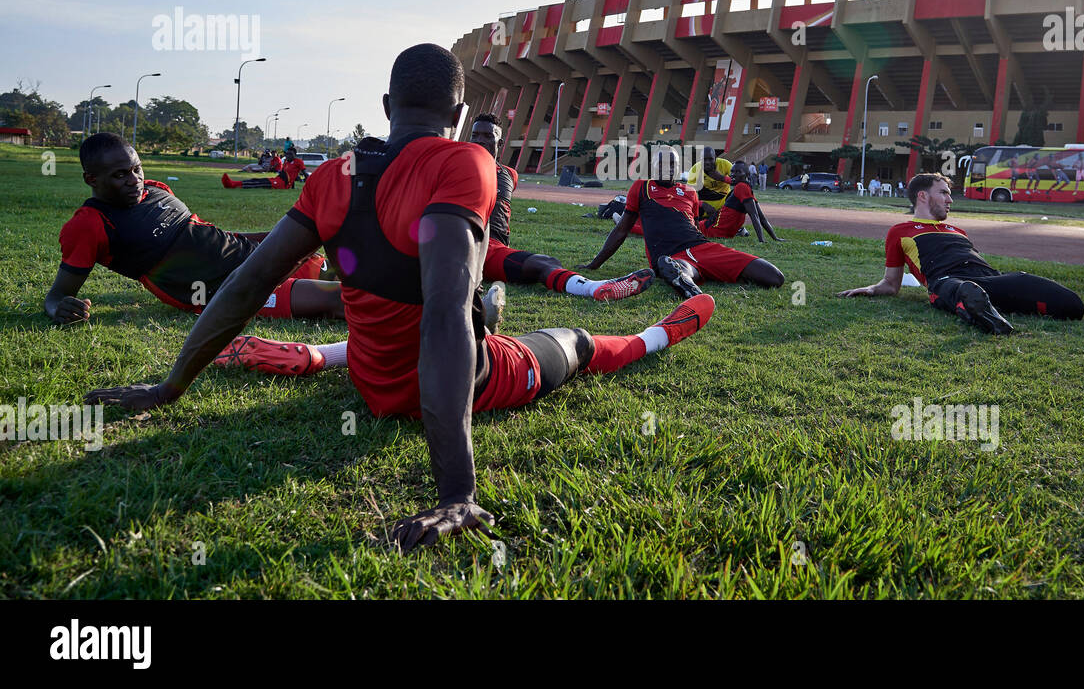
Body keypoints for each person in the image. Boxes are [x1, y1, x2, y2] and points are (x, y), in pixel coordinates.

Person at [85, 44, 715, 550]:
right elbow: (444, 309)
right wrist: (457, 493)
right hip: (465, 381)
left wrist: (171, 386)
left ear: (386, 104)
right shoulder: (466, 162)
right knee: (579, 344)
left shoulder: (335, 175)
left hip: (371, 381)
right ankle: (666, 329)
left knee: (469, 309)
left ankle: (331, 352)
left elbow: (247, 284)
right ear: (461, 110)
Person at [45, 132, 341, 325]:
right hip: (227, 288)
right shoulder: (88, 224)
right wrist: (58, 307)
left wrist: (279, 241)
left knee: (347, 262)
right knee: (338, 299)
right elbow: (56, 296)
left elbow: (207, 234)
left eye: (136, 169)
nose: (134, 180)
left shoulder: (156, 189)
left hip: (250, 255)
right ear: (91, 179)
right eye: (120, 175)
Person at [836, 173, 1084, 333]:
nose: (950, 200)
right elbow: (892, 284)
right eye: (944, 192)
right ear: (922, 196)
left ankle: (981, 306)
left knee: (1072, 305)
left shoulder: (958, 230)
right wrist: (871, 289)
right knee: (953, 287)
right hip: (947, 280)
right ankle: (975, 307)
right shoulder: (901, 231)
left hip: (990, 278)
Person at [469, 113, 653, 300]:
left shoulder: (509, 175)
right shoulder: (459, 167)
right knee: (542, 263)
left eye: (488, 136)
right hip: (471, 246)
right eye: (475, 135)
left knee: (549, 262)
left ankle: (595, 287)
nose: (480, 141)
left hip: (495, 248)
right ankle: (594, 288)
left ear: (500, 143)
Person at [586, 147, 784, 297]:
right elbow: (621, 231)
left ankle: (692, 278)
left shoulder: (690, 192)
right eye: (662, 164)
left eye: (672, 164)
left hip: (702, 247)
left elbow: (696, 228)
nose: (667, 168)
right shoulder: (641, 187)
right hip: (670, 253)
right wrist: (594, 265)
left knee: (774, 276)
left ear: (679, 167)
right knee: (673, 266)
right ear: (653, 166)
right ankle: (684, 279)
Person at [700, 163, 783, 242]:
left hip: (712, 230)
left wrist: (762, 240)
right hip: (713, 227)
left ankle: (740, 230)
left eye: (738, 172)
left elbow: (755, 216)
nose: (733, 174)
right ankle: (740, 231)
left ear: (747, 174)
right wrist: (774, 238)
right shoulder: (743, 188)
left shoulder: (742, 187)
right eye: (732, 171)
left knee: (690, 224)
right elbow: (760, 217)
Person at [222, 146, 306, 190]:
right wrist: (292, 187)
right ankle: (233, 183)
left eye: (290, 154)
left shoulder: (298, 161)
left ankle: (233, 185)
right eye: (287, 154)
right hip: (277, 179)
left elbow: (305, 174)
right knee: (256, 180)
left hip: (281, 184)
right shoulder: (287, 162)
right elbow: (290, 175)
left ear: (295, 154)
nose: (288, 156)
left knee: (258, 184)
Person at [686, 148, 733, 213]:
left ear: (715, 158)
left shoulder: (725, 164)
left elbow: (739, 182)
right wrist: (702, 204)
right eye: (704, 159)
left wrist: (722, 178)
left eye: (710, 159)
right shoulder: (695, 169)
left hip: (725, 202)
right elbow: (688, 195)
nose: (707, 162)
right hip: (705, 204)